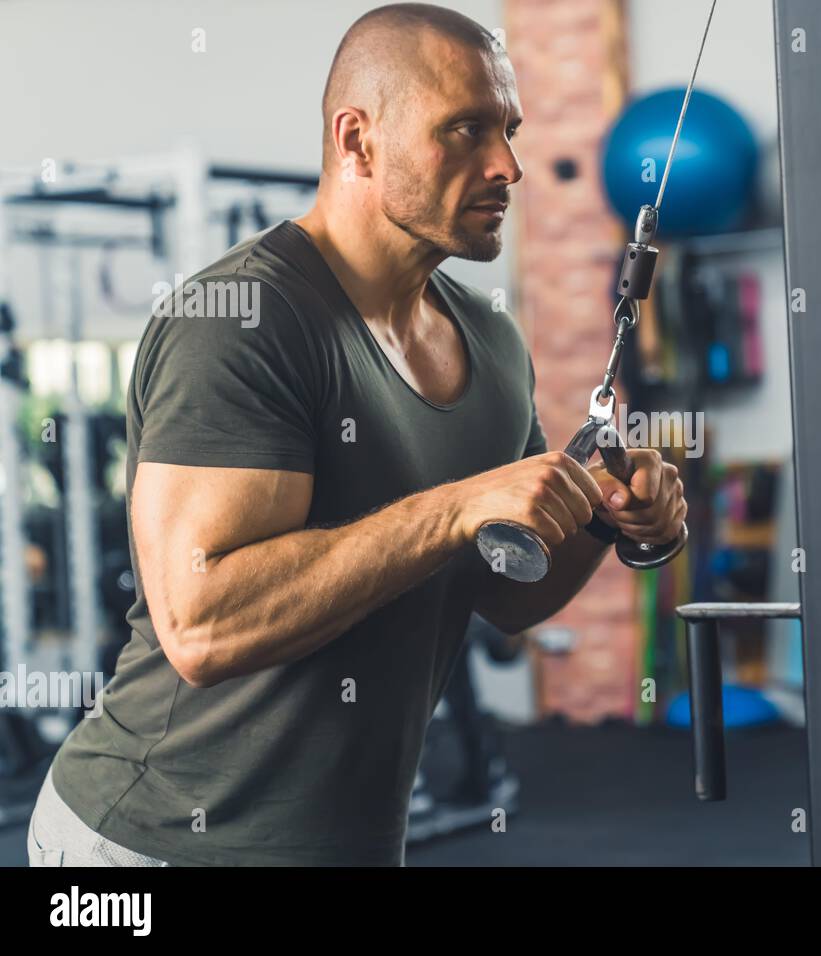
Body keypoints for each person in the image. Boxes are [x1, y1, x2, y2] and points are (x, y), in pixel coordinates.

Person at [27, 2, 686, 867]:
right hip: (150, 847)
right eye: (465, 131)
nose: (508, 167)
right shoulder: (240, 321)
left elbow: (508, 595)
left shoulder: (489, 340)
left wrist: (609, 518)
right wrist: (452, 507)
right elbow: (202, 629)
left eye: (510, 132)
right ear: (358, 141)